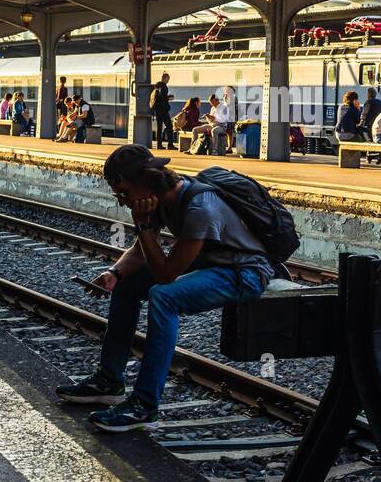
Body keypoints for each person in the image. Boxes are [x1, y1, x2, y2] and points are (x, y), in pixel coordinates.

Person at [55, 145, 271, 428]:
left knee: (164, 297)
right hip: (212, 263)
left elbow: (166, 274)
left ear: (145, 182)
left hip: (244, 273)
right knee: (128, 284)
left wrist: (143, 226)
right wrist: (115, 273)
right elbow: (139, 252)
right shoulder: (159, 199)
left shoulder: (199, 207)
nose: (122, 202)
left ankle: (145, 406)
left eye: (123, 192)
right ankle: (109, 383)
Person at [150, 73, 174, 150]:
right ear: (165, 78)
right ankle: (170, 144)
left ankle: (159, 144)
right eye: (168, 79)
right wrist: (168, 97)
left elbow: (159, 97)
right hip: (163, 110)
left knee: (159, 127)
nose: (168, 81)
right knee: (170, 126)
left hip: (157, 110)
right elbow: (162, 98)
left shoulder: (157, 86)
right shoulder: (164, 87)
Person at [211, 88, 234, 155]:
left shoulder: (233, 98)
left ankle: (229, 148)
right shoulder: (225, 97)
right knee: (228, 133)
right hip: (226, 117)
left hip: (231, 117)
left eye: (227, 90)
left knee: (230, 133)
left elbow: (230, 107)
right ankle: (227, 148)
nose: (225, 91)